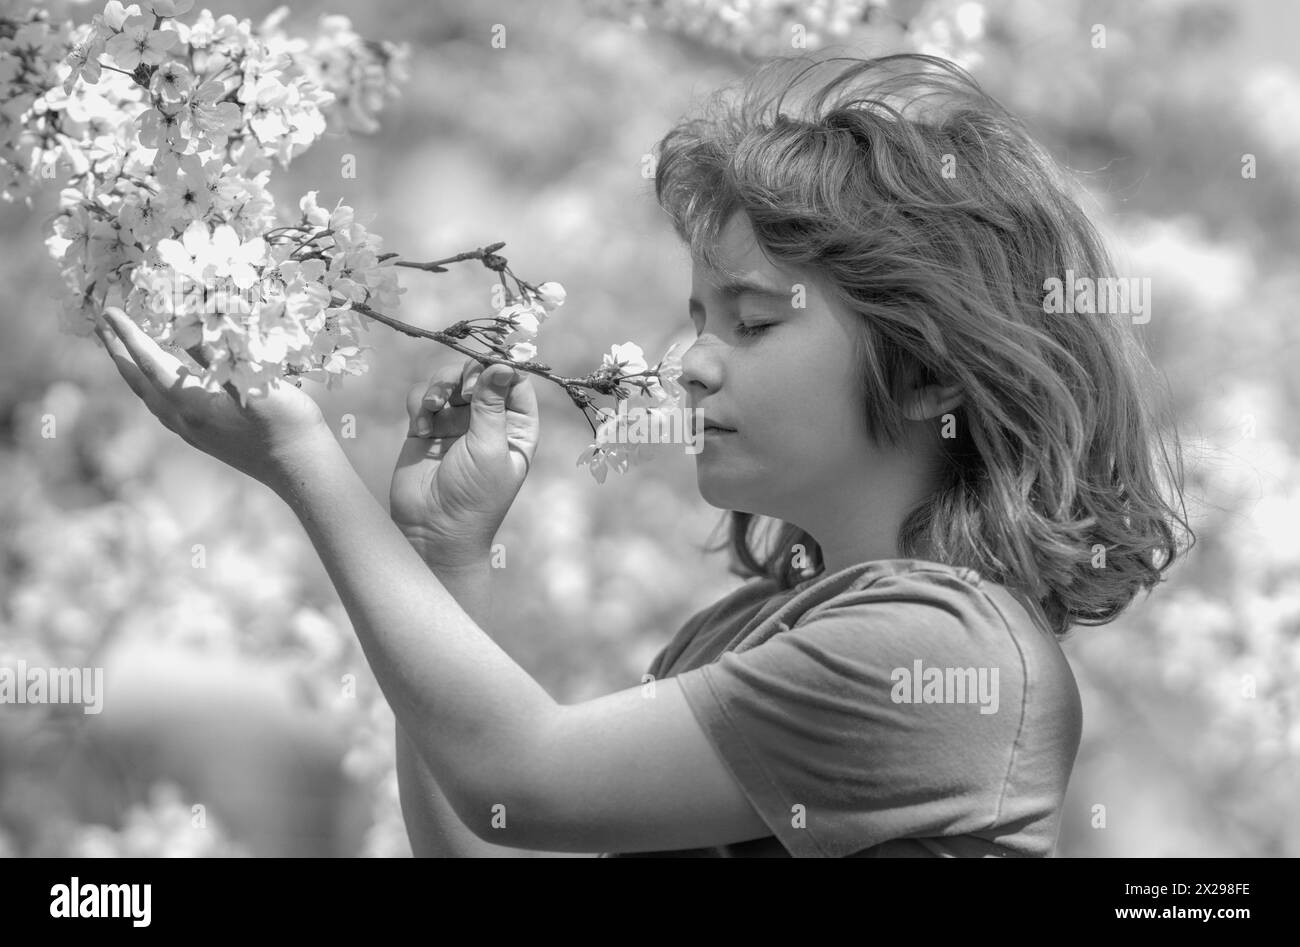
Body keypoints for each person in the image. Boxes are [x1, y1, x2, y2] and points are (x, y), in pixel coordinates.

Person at [95, 51, 1193, 857]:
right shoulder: (742, 633)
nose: (692, 364)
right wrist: (445, 558)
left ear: (931, 370)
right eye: (696, 317)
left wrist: (306, 466)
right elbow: (501, 833)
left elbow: (516, 779)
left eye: (754, 322)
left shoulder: (943, 646)